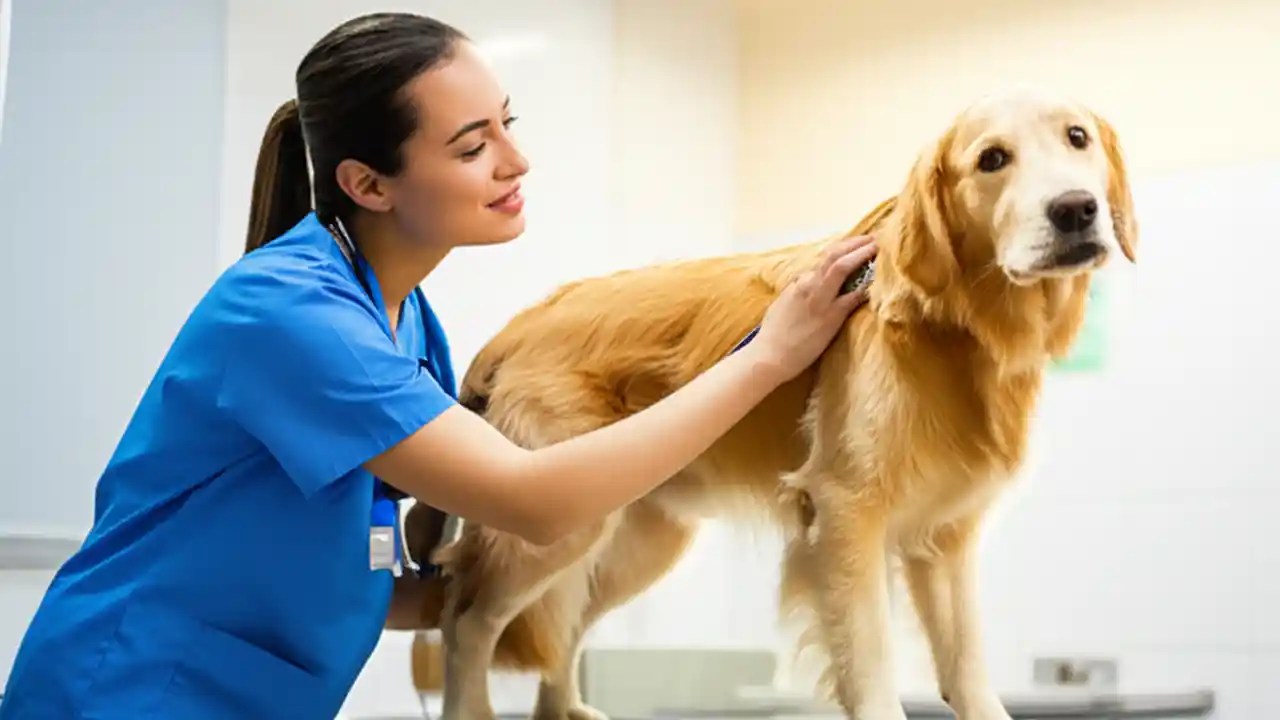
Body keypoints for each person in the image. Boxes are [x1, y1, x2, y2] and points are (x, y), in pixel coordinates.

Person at [0, 12, 877, 720]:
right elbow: (535, 501)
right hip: (128, 692)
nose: (516, 160)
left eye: (509, 124)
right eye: (471, 146)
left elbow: (338, 554)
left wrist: (481, 605)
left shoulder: (401, 318)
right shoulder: (291, 316)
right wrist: (767, 357)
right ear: (369, 184)